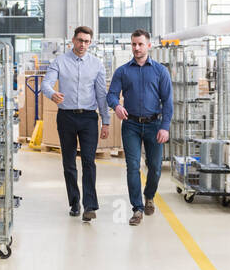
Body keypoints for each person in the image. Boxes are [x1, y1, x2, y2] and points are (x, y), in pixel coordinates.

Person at [40, 26, 111, 221]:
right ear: (73, 40)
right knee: (69, 163)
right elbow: (46, 83)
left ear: (91, 43)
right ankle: (74, 202)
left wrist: (106, 121)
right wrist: (51, 93)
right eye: (80, 40)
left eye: (87, 41)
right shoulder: (60, 61)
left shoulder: (97, 64)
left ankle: (90, 205)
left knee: (89, 162)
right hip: (66, 117)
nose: (83, 45)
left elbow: (101, 95)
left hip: (88, 117)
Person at [106, 29, 173, 227]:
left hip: (154, 125)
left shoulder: (161, 71)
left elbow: (167, 101)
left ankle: (149, 196)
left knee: (155, 168)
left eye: (140, 44)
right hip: (131, 125)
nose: (136, 48)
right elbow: (111, 94)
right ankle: (137, 208)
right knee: (133, 167)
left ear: (148, 45)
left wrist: (165, 127)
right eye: (134, 44)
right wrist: (116, 106)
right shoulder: (123, 71)